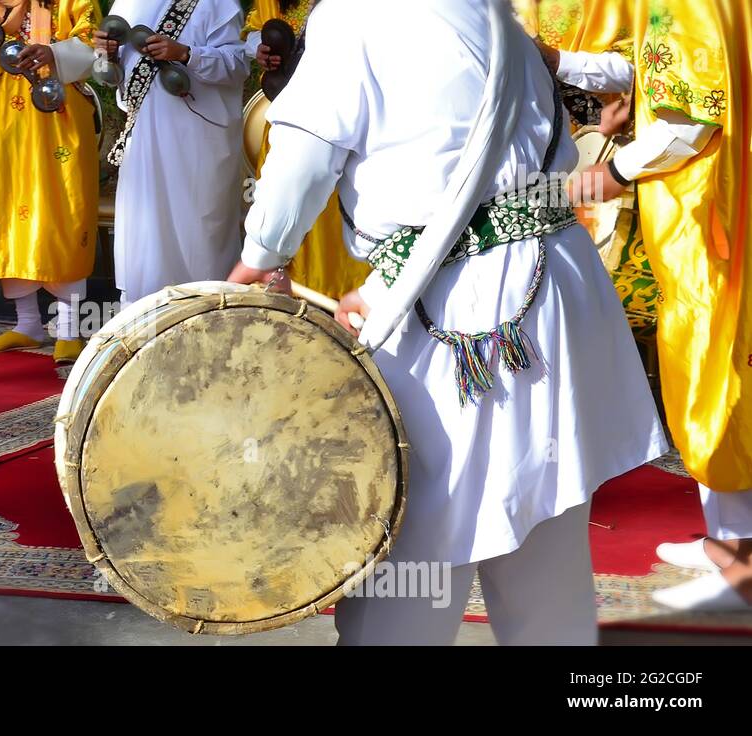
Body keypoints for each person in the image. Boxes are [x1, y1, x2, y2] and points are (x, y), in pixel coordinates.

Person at [228, 0, 667, 644]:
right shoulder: (489, 12)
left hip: (467, 311)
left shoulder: (355, 16)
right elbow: (492, 184)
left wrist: (258, 260)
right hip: (552, 284)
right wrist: (382, 289)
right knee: (544, 532)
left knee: (408, 536)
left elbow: (305, 155)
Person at [554, 0, 752, 612]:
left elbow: (691, 119)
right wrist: (560, 60)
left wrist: (616, 171)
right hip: (701, 212)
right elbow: (657, 66)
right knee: (710, 363)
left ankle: (741, 565)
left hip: (703, 219)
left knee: (714, 370)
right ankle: (727, 537)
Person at [0, 0, 100, 365]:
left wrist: (52, 51)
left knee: (59, 211)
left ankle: (68, 328)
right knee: (5, 210)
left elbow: (93, 47)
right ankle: (28, 323)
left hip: (55, 111)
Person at [99, 0, 249, 306]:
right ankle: (144, 324)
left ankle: (205, 321)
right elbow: (113, 77)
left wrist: (185, 54)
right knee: (145, 234)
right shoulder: (128, 3)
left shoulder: (216, 3)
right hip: (144, 139)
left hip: (197, 143)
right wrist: (107, 54)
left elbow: (238, 65)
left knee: (197, 237)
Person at [243, 0, 369, 300]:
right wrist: (262, 51)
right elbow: (254, 31)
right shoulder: (275, 4)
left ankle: (341, 302)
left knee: (333, 216)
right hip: (288, 129)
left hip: (344, 126)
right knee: (285, 206)